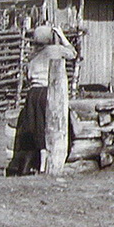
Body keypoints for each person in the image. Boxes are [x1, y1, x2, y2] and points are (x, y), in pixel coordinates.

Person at [6, 25, 77, 177]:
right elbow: (73, 53)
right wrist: (62, 35)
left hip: (32, 94)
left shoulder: (33, 57)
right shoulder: (55, 50)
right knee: (49, 127)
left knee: (35, 129)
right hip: (47, 91)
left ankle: (35, 165)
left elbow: (28, 77)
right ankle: (47, 165)